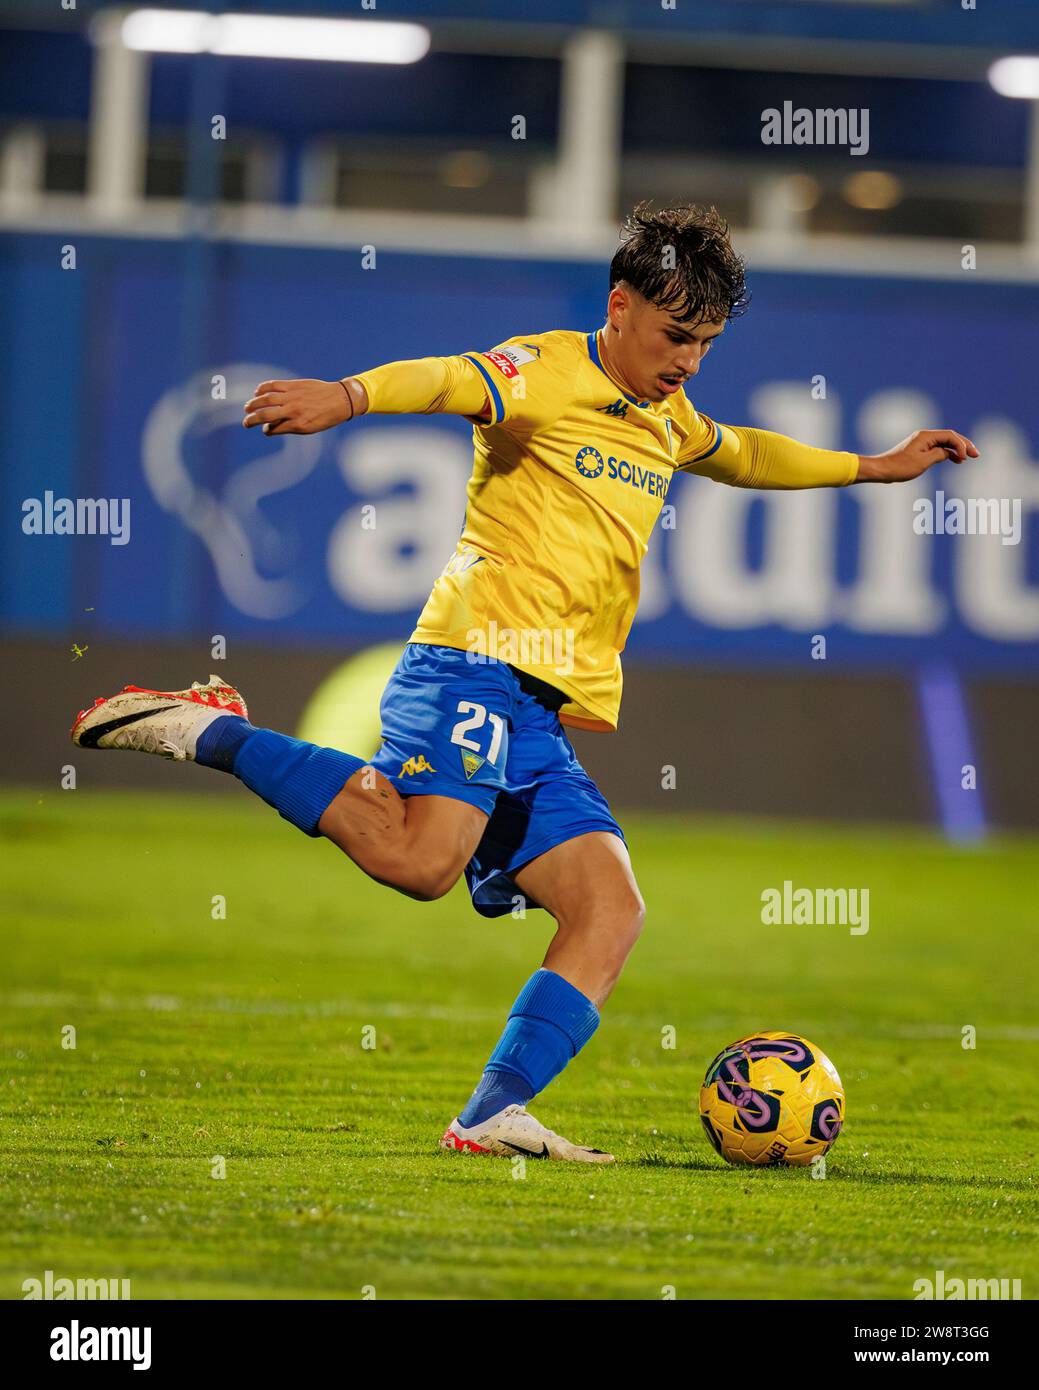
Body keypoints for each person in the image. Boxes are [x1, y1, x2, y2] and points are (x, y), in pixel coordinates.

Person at [71, 203, 978, 1162]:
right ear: (619, 306)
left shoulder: (666, 417)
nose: (689, 361)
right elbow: (447, 380)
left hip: (535, 709)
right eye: (677, 336)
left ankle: (489, 1116)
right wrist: (345, 397)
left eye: (706, 343)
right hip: (470, 656)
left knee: (610, 909)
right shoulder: (545, 368)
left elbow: (746, 453)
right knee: (421, 864)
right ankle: (205, 728)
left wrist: (875, 467)